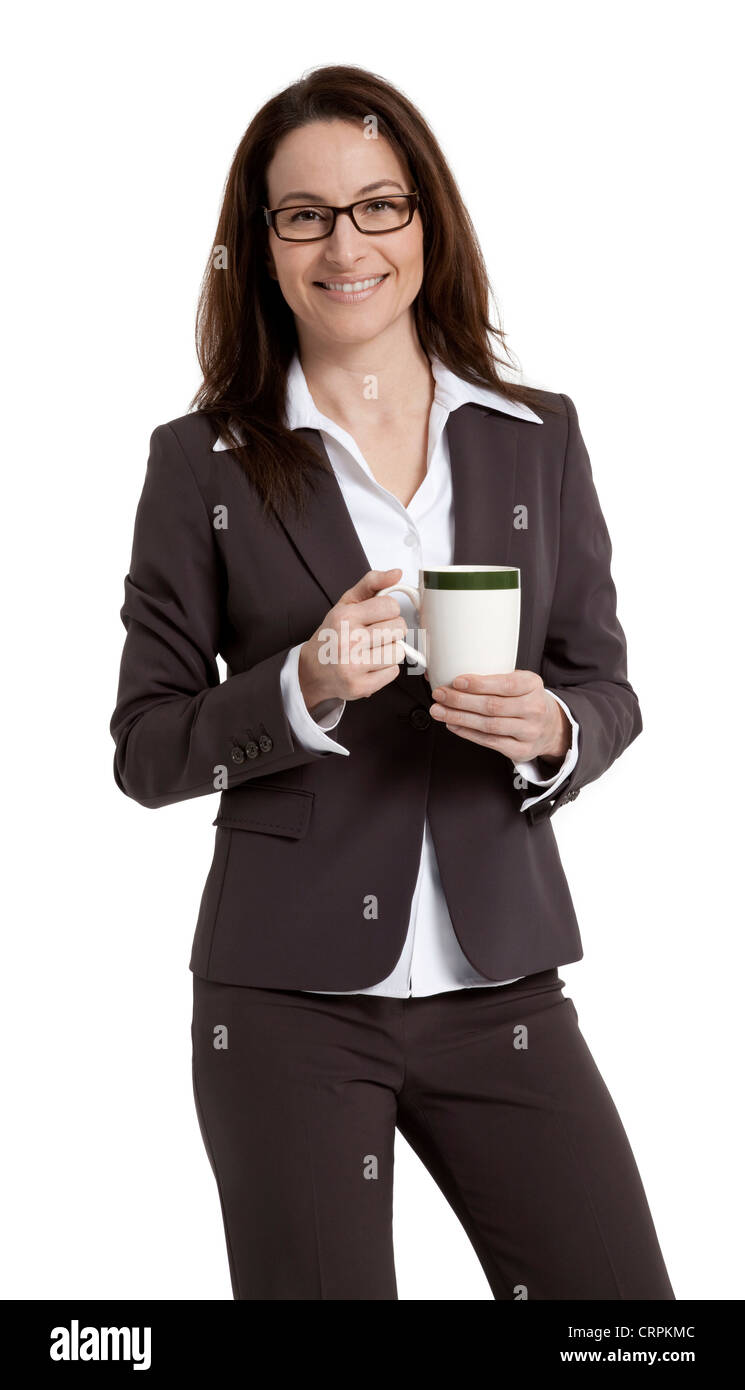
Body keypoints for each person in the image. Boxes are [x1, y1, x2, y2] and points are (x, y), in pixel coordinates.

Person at [110, 64, 675, 1301]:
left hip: (501, 985)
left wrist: (555, 729)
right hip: (283, 1006)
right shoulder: (199, 461)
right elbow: (148, 747)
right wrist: (301, 685)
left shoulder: (539, 432)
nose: (345, 243)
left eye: (379, 205)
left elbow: (604, 683)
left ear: (427, 221)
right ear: (259, 248)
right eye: (302, 214)